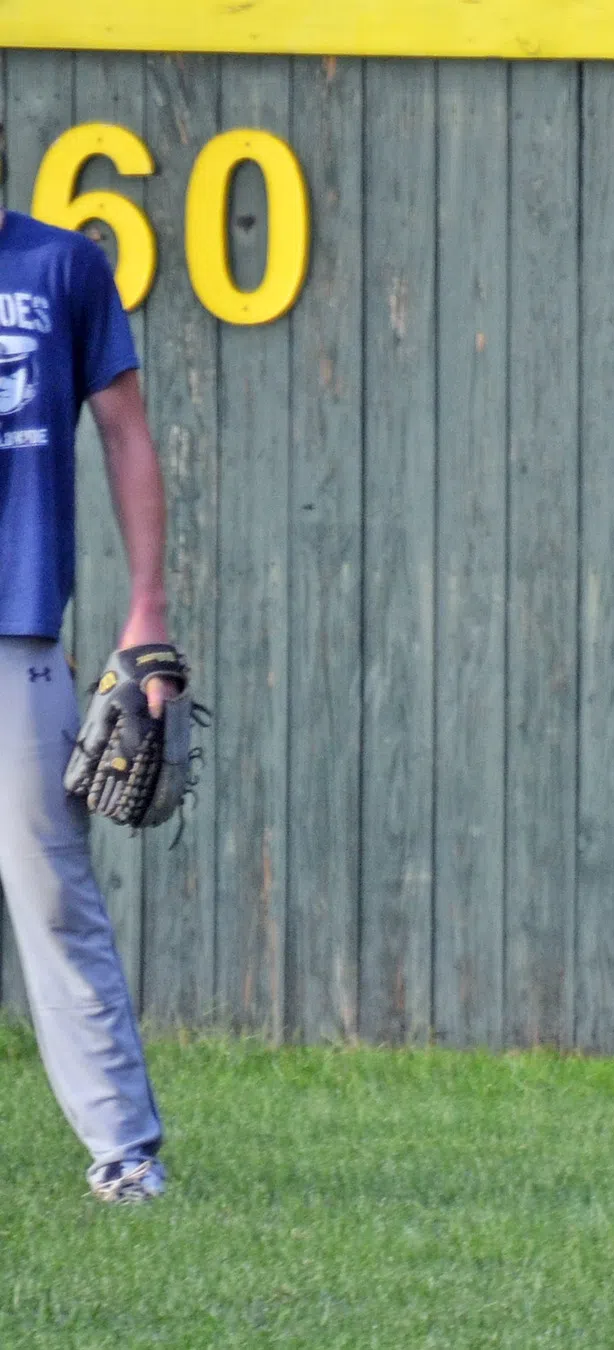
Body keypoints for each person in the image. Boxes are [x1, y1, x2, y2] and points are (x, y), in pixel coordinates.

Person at [0, 153, 176, 1204]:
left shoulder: (61, 266)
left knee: (53, 895)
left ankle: (125, 1153)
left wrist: (146, 608)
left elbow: (126, 434)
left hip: (15, 629)